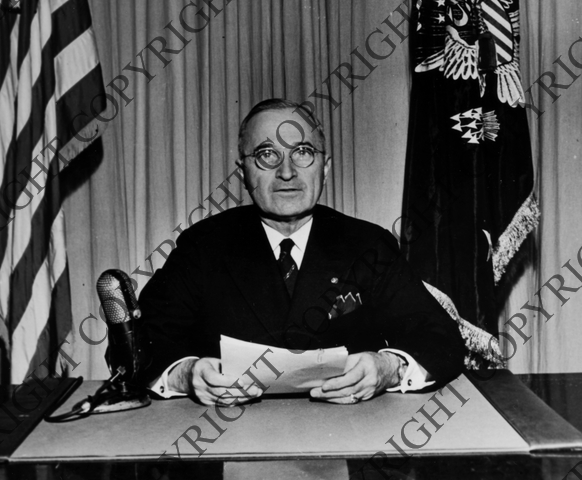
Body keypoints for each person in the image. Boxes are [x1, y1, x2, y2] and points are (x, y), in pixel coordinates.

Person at [138, 99, 465, 406]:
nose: (287, 172)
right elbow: (140, 344)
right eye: (267, 154)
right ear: (243, 173)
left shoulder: (368, 244)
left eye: (303, 152)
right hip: (225, 436)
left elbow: (440, 339)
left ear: (324, 167)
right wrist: (187, 374)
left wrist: (387, 367)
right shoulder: (203, 246)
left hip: (349, 431)